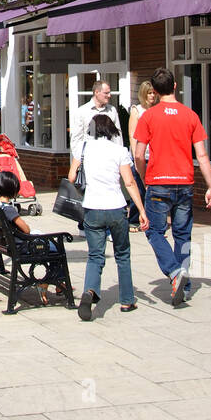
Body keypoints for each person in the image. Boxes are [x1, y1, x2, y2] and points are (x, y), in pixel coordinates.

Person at [131, 68, 211, 306]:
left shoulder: (148, 116)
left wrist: (144, 176)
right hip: (185, 183)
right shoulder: (190, 116)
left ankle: (173, 271)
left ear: (155, 91)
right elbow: (202, 155)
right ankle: (185, 284)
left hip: (158, 182)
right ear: (175, 86)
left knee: (154, 231)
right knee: (182, 234)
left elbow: (139, 154)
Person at [69, 114, 149, 321]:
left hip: (92, 208)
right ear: (111, 129)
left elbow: (71, 177)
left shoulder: (83, 149)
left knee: (95, 255)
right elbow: (129, 183)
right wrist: (141, 210)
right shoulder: (119, 151)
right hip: (116, 207)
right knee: (122, 254)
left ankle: (90, 291)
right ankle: (126, 300)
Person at [125, 80, 157, 232]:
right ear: (144, 94)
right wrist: (135, 154)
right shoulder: (136, 110)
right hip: (140, 155)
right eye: (150, 93)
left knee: (152, 189)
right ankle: (134, 219)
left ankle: (152, 221)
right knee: (138, 188)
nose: (152, 96)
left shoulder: (157, 110)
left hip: (154, 154)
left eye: (154, 93)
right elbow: (132, 134)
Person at [71, 80, 119, 160]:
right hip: (89, 159)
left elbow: (117, 137)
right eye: (106, 93)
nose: (109, 95)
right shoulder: (82, 111)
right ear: (96, 92)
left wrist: (118, 158)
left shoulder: (112, 110)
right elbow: (76, 140)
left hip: (110, 159)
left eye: (109, 93)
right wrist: (81, 160)